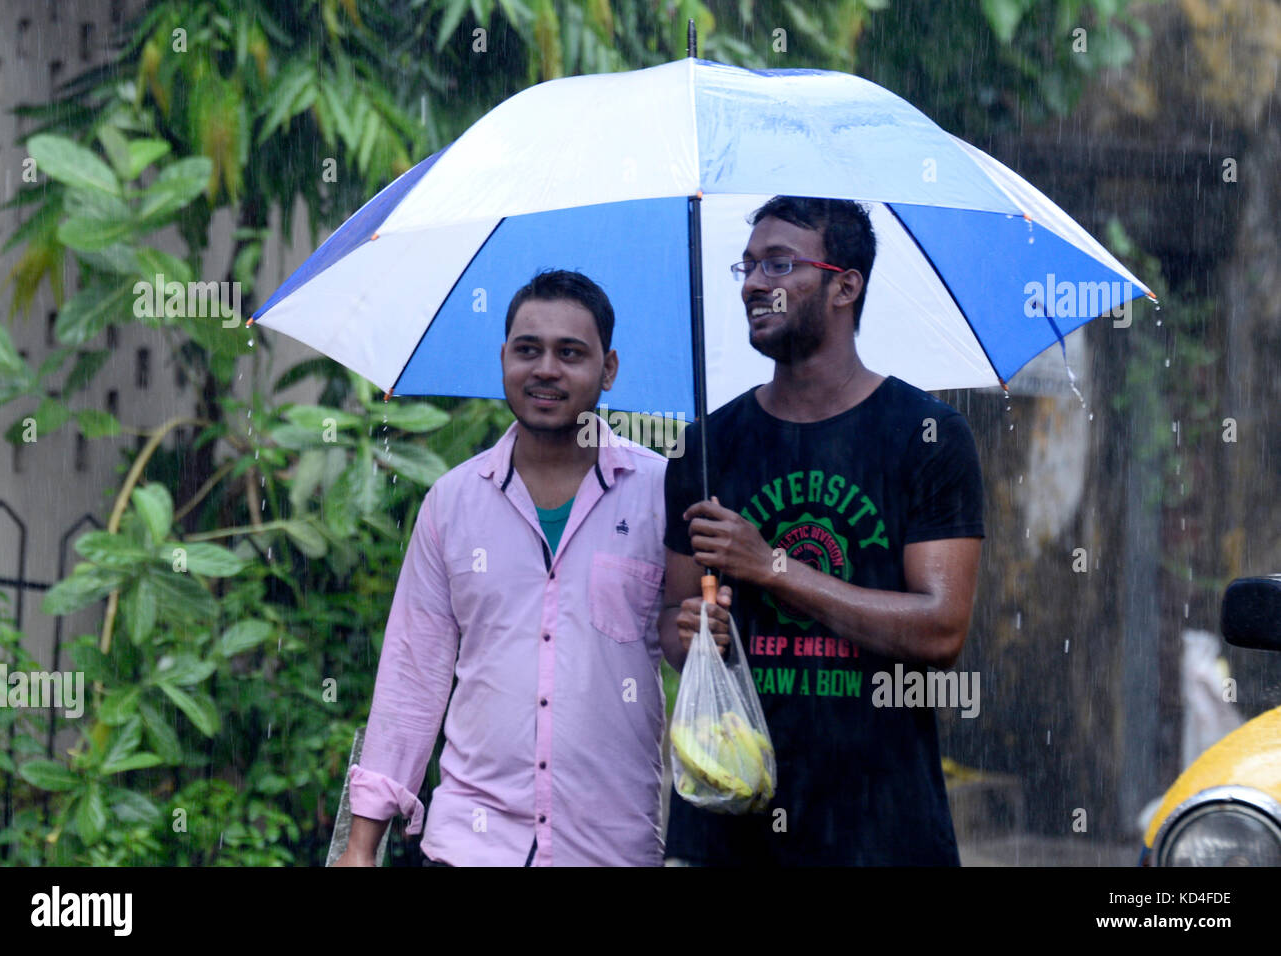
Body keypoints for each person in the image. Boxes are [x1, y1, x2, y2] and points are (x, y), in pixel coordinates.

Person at [658, 196, 985, 866]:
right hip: (730, 816)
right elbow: (671, 625)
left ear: (845, 284)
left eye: (779, 263)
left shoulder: (927, 437)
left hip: (882, 826)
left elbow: (941, 629)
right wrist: (691, 632)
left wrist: (771, 567)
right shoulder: (708, 447)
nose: (753, 284)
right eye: (745, 267)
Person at [334, 269, 669, 867]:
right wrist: (361, 846)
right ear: (504, 359)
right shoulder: (453, 503)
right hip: (469, 846)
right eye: (528, 350)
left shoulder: (661, 495)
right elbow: (412, 675)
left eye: (571, 353)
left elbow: (686, 647)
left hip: (611, 848)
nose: (546, 369)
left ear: (609, 369)